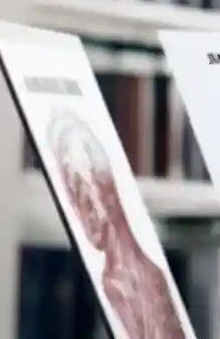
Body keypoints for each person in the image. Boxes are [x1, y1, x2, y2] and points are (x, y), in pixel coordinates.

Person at [48, 108, 190, 339]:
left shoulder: (146, 277)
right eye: (74, 190)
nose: (84, 207)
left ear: (111, 190)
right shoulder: (111, 280)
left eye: (88, 186)